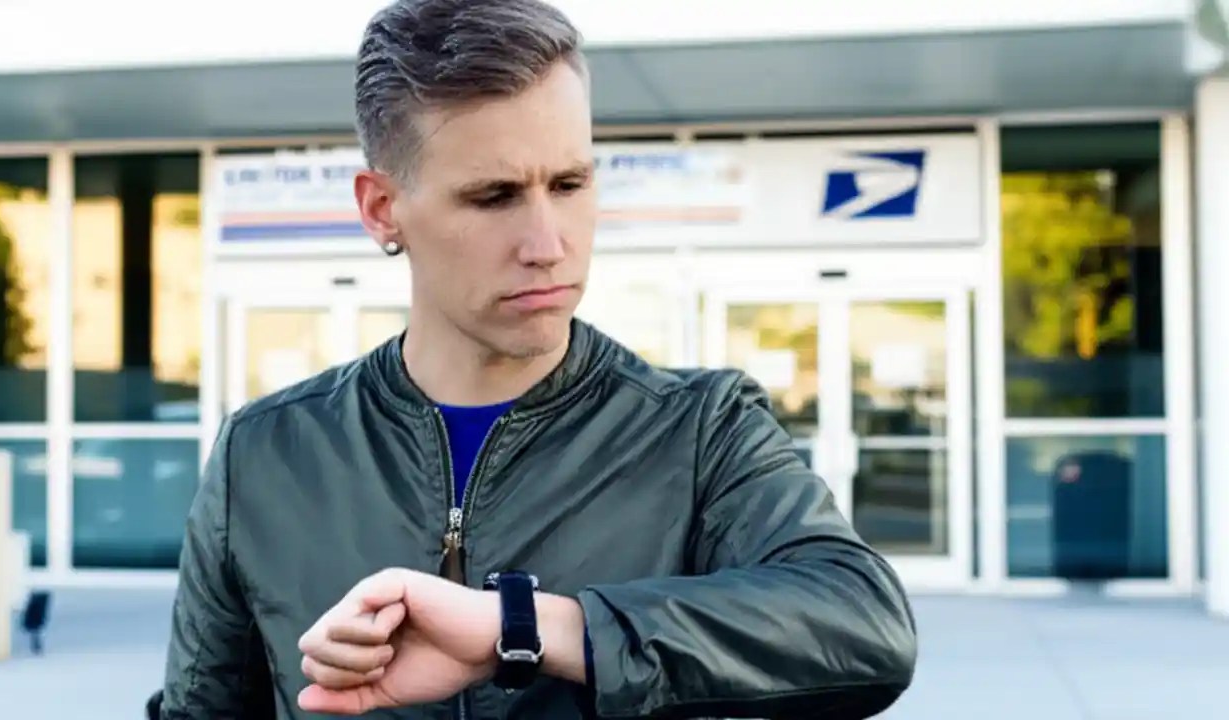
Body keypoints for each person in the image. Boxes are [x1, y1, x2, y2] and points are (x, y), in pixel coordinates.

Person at [158, 0, 918, 718]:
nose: (549, 245)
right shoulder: (263, 454)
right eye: (494, 197)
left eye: (570, 183)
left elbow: (862, 627)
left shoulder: (699, 432)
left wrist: (523, 627)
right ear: (382, 209)